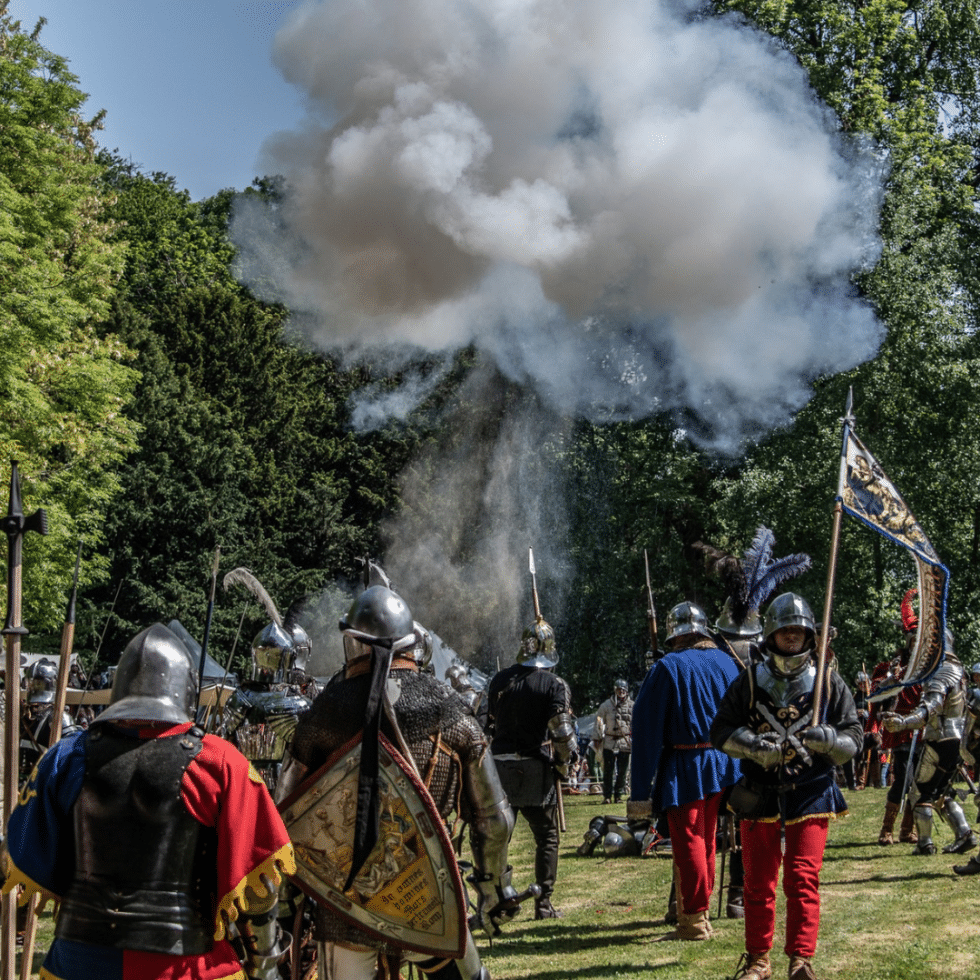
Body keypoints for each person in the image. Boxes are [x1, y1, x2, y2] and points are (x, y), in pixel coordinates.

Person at [3, 622, 296, 980]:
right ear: (184, 689)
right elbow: (261, 885)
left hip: (81, 962)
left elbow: (25, 848)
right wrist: (264, 961)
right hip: (184, 967)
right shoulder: (219, 762)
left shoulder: (65, 757)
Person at [277, 584, 516, 979]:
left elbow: (281, 821)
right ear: (410, 643)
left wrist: (286, 903)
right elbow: (494, 818)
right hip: (426, 898)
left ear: (353, 642)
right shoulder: (446, 704)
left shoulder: (325, 713)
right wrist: (494, 887)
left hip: (349, 908)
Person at [711, 592, 862, 980]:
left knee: (802, 877)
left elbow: (855, 736)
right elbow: (720, 730)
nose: (792, 637)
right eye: (785, 630)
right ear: (772, 634)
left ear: (810, 634)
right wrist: (752, 746)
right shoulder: (748, 679)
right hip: (758, 790)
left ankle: (801, 959)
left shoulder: (828, 680)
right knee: (758, 882)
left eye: (799, 630)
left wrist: (828, 739)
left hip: (810, 790)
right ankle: (759, 960)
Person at [628, 601, 742, 941]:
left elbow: (646, 732)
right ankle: (694, 910)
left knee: (690, 840)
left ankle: (693, 921)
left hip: (687, 765)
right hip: (723, 763)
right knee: (705, 838)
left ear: (674, 634)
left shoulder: (667, 667)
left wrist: (639, 793)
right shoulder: (727, 662)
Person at [486, 617, 576, 920]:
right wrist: (563, 765)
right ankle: (543, 903)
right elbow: (562, 734)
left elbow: (485, 727)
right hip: (536, 770)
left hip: (498, 770)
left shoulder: (499, 680)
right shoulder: (553, 684)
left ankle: (497, 902)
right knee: (547, 838)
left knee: (498, 840)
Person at [882, 628, 976, 856]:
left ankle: (925, 843)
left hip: (940, 739)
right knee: (942, 793)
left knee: (920, 793)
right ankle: (964, 834)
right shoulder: (959, 671)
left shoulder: (940, 672)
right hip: (958, 740)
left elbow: (930, 708)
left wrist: (903, 723)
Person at [595, 678, 633, 804]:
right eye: (618, 689)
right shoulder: (605, 705)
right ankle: (607, 796)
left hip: (624, 741)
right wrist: (597, 738)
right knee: (608, 771)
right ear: (614, 690)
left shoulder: (632, 706)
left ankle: (618, 796)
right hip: (609, 741)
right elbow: (598, 722)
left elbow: (637, 724)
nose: (621, 691)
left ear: (626, 691)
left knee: (623, 771)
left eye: (623, 690)